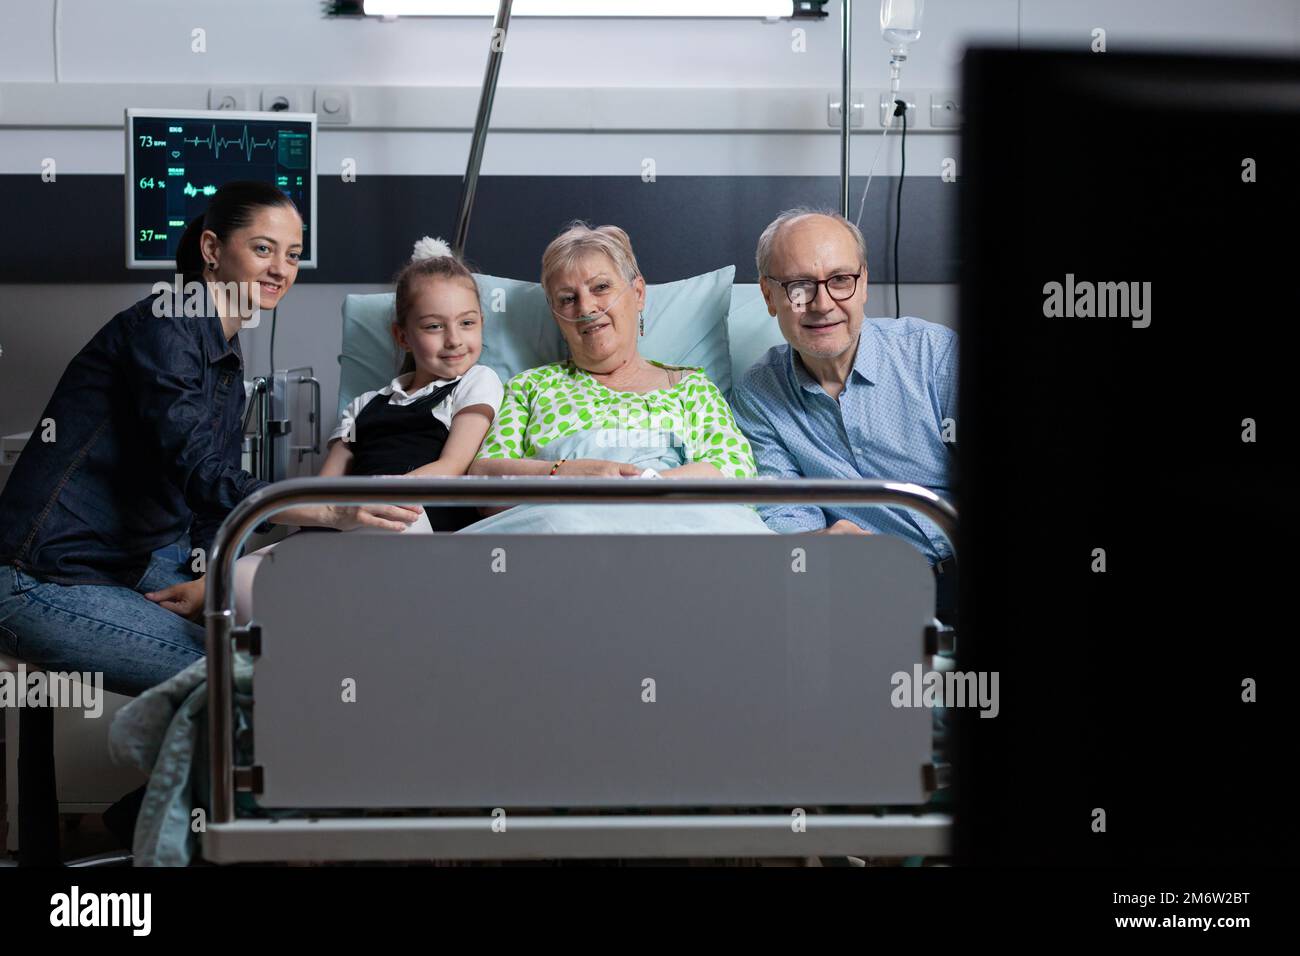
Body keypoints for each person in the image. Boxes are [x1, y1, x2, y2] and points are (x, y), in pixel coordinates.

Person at [0, 181, 418, 698]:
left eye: (292, 255)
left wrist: (206, 575)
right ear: (212, 250)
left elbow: (203, 504)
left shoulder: (221, 352)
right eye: (263, 249)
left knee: (282, 638)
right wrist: (329, 509)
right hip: (38, 576)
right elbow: (201, 471)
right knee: (248, 682)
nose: (280, 270)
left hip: (118, 559)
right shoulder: (166, 325)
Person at [232, 238, 504, 622]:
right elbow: (325, 488)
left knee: (382, 546)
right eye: (433, 326)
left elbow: (452, 466)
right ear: (402, 336)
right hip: (346, 520)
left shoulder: (474, 382)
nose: (454, 339)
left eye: (467, 323)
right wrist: (331, 512)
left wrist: (377, 496)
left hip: (409, 517)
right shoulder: (364, 405)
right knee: (240, 578)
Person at [730, 208, 958, 616]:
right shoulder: (758, 396)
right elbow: (786, 512)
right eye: (799, 287)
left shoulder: (933, 355)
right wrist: (821, 544)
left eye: (840, 281)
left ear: (864, 283)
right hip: (867, 592)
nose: (823, 304)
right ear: (768, 296)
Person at [466, 222, 765, 534]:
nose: (586, 307)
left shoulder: (691, 388)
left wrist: (645, 488)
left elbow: (734, 472)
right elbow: (483, 481)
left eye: (601, 287)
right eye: (567, 298)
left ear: (637, 294)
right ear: (556, 315)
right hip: (560, 531)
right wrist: (563, 475)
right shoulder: (530, 387)